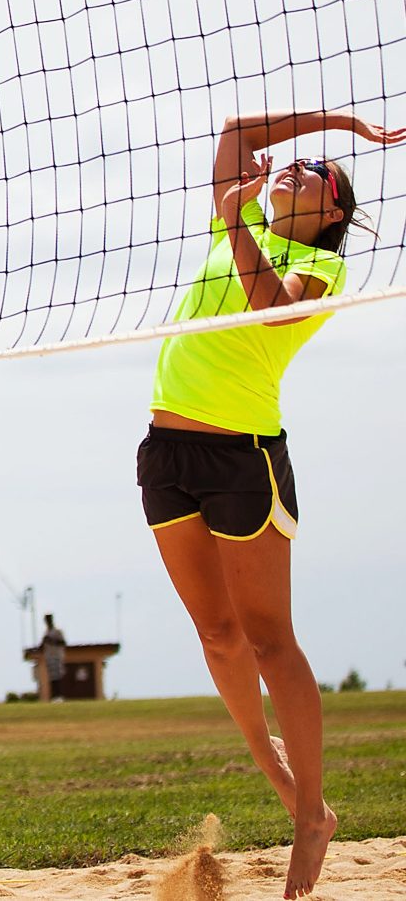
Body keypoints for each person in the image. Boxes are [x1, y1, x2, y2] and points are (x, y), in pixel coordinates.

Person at [138, 112, 402, 899]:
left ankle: (310, 814)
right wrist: (340, 123)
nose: (297, 167)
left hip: (243, 457)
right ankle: (291, 790)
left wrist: (233, 219)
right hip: (166, 450)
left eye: (319, 172)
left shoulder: (319, 268)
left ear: (332, 215)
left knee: (268, 640)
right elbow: (231, 134)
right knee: (216, 636)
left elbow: (269, 308)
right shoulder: (247, 216)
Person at [39, 615, 66, 702]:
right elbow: (42, 646)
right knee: (52, 677)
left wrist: (51, 641)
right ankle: (54, 696)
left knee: (58, 676)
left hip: (57, 656)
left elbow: (63, 642)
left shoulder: (57, 632)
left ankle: (59, 696)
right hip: (49, 657)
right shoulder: (46, 632)